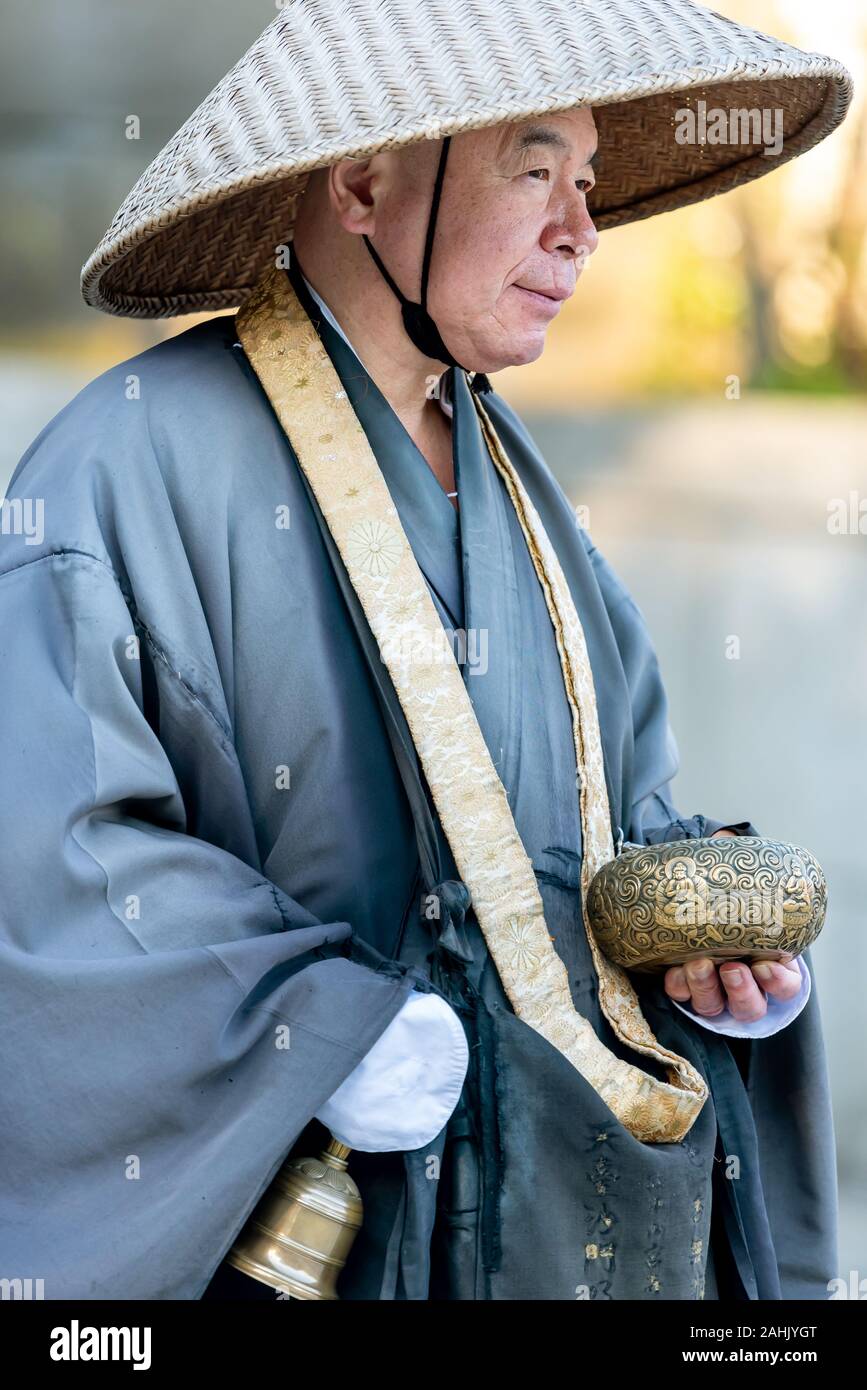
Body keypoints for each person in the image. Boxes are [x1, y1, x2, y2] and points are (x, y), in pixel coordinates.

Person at [0, 0, 851, 1301]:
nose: (581, 233)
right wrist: (317, 1029)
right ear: (360, 180)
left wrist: (700, 948)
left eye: (587, 183)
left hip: (548, 1220)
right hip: (315, 1224)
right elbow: (50, 869)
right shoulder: (128, 461)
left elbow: (617, 816)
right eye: (532, 171)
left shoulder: (526, 492)